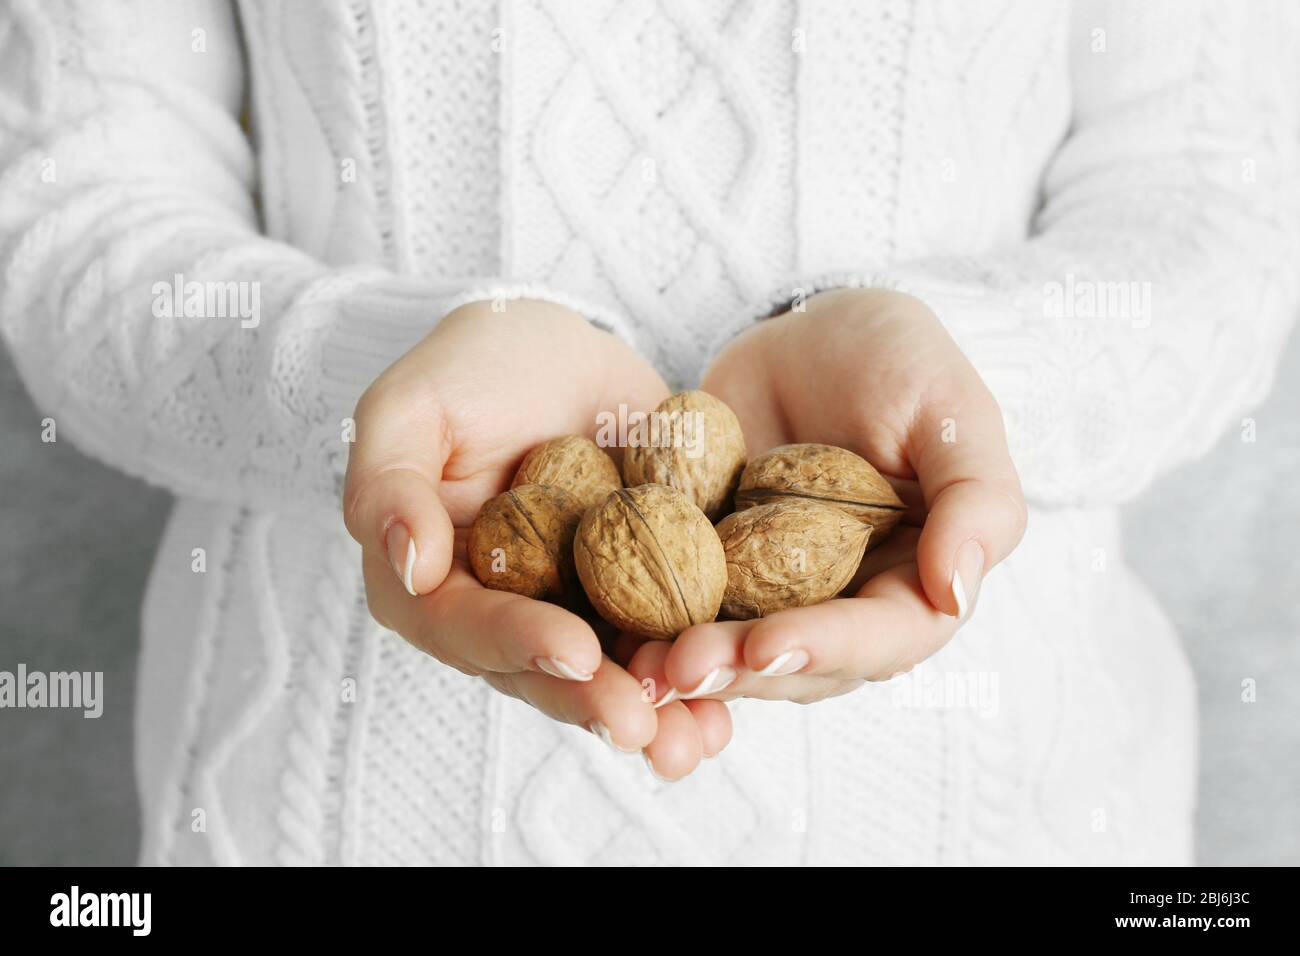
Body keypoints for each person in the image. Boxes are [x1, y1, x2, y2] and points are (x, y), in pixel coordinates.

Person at [1, 0, 1295, 865]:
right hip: (333, 815)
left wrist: (972, 391)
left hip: (1007, 816)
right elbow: (72, 224)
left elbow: (1218, 214)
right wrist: (379, 380)